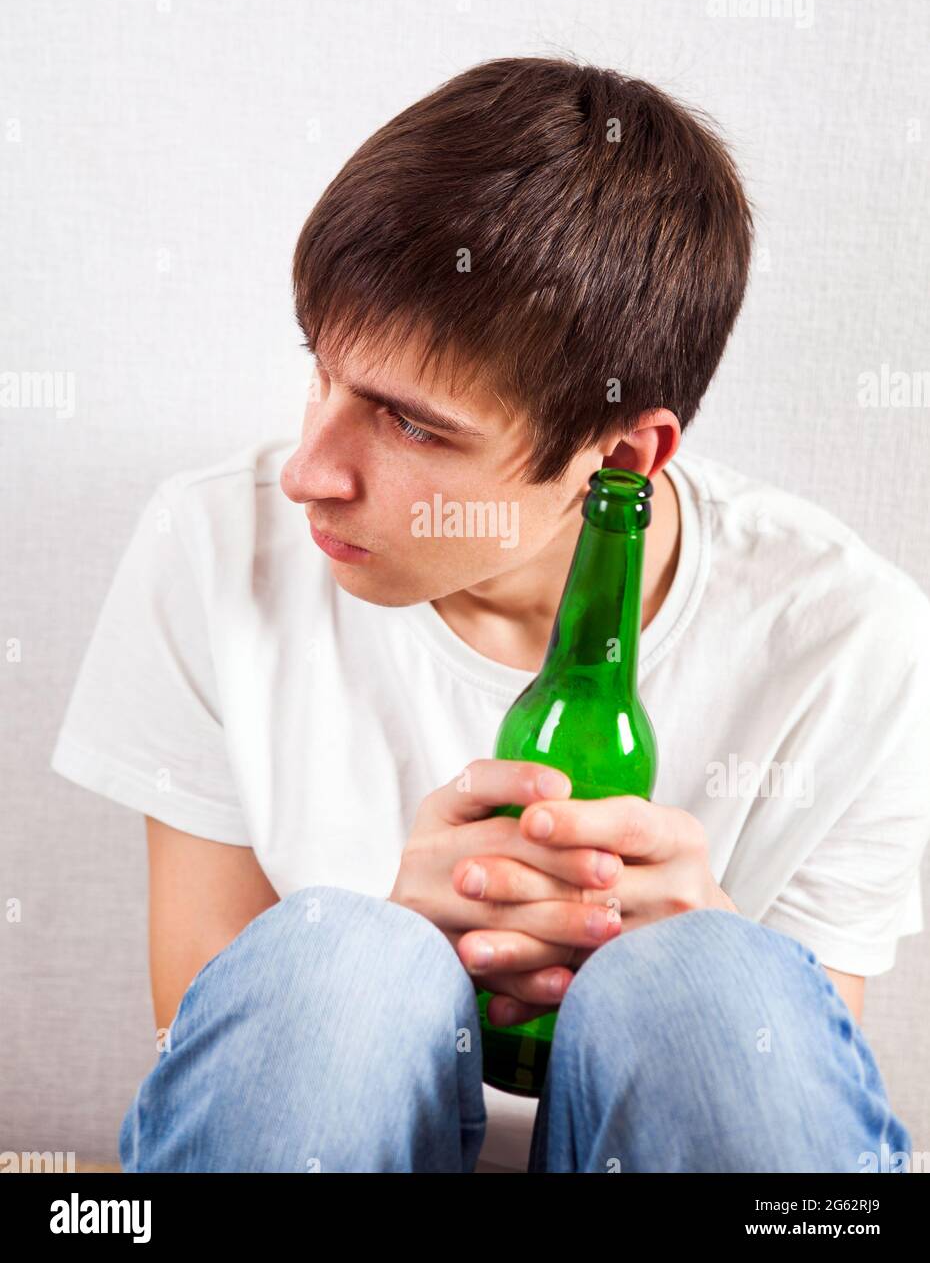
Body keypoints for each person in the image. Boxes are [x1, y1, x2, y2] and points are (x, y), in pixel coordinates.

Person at [51, 57, 928, 1172]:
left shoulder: (852, 645)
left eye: (410, 425)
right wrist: (399, 942)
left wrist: (700, 946)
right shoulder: (212, 549)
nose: (309, 473)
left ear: (618, 455)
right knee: (338, 962)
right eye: (319, 372)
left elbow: (787, 1109)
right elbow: (206, 1055)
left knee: (714, 984)